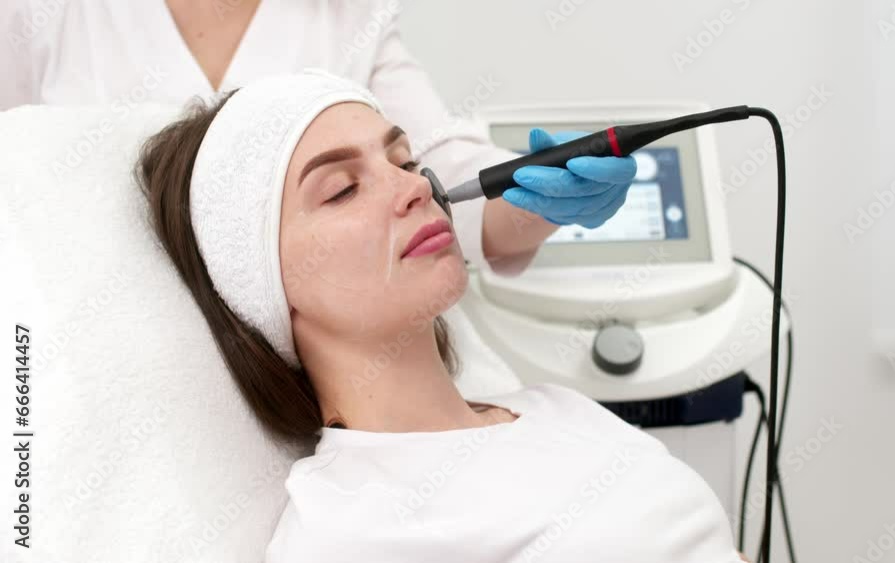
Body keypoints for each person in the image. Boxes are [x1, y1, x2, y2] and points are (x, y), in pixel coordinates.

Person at [135, 69, 747, 562]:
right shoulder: (349, 533)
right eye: (342, 189)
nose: (418, 188)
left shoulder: (556, 409)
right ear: (261, 282)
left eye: (403, 162)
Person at [1, 0, 637, 277]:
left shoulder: (348, 15)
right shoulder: (44, 16)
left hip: (311, 375)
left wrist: (540, 198)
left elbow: (438, 168)